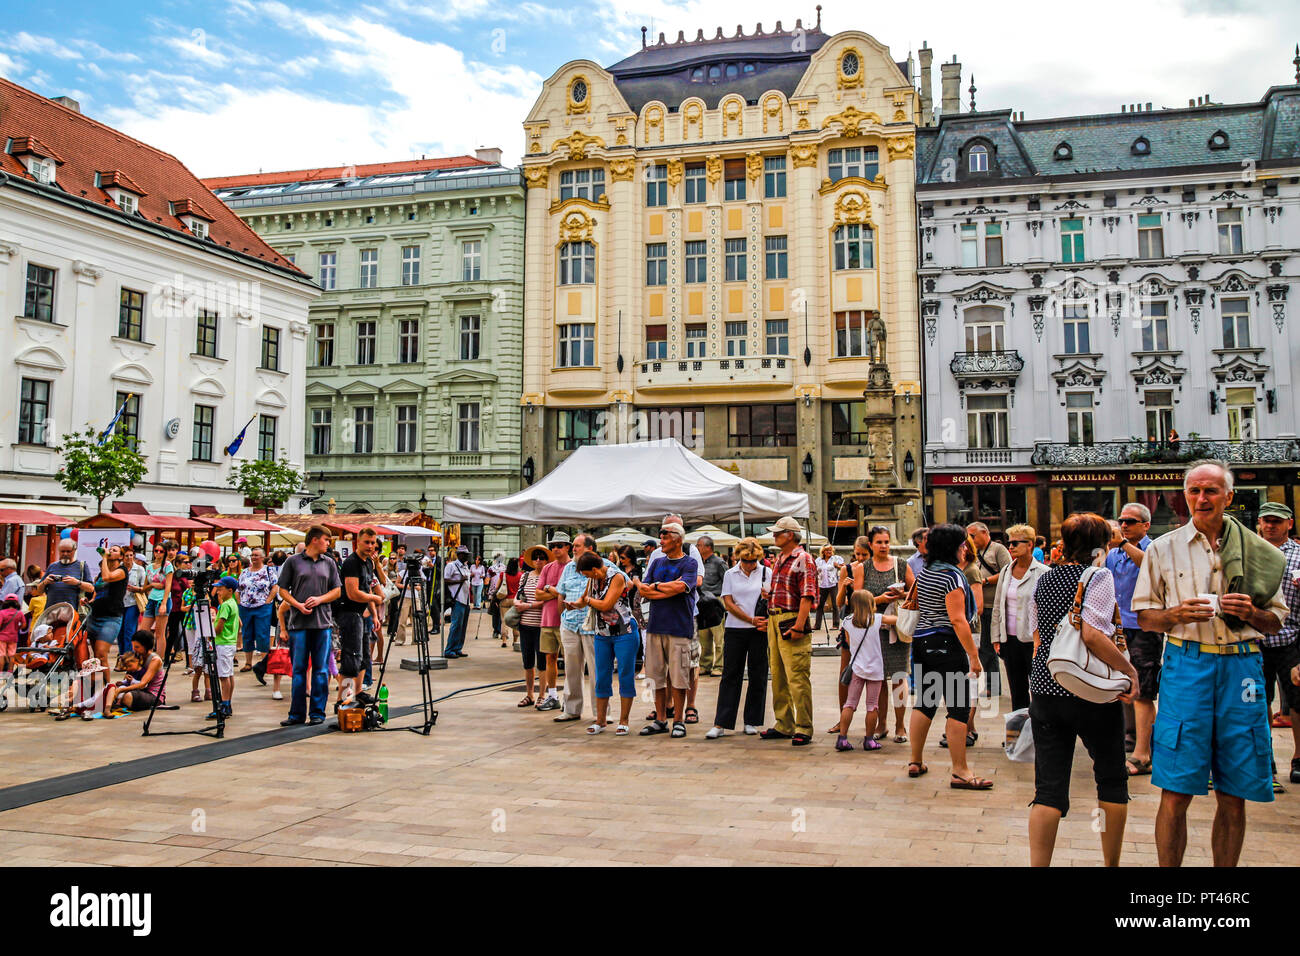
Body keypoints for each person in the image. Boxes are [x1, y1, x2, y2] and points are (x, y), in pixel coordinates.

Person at [1132, 460, 1287, 867]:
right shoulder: (1163, 549)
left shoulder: (1260, 552)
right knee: (1175, 788)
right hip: (1187, 664)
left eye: (1212, 491)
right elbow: (1145, 616)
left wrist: (1251, 613)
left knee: (1234, 794)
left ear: (1229, 497)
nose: (1202, 498)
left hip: (1242, 668)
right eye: (1195, 491)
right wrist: (1176, 615)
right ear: (1185, 496)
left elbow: (1275, 622)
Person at [1026, 513, 1139, 866]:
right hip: (1092, 692)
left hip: (1047, 687)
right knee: (1110, 780)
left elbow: (1036, 636)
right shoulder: (1098, 575)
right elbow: (1092, 634)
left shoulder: (1043, 579)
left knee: (1048, 791)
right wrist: (1129, 671)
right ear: (1100, 545)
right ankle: (1111, 863)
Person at [906, 523, 990, 789]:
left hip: (922, 641)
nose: (965, 548)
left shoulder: (926, 571)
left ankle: (915, 760)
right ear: (952, 547)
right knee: (958, 707)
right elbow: (957, 619)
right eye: (962, 544)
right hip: (946, 643)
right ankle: (960, 770)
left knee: (925, 702)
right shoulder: (952, 576)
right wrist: (974, 657)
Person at [1103, 503, 1159, 776]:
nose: (1124, 525)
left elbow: (1151, 568)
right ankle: (1135, 736)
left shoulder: (1153, 548)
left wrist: (1123, 543)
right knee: (1122, 683)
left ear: (1146, 525)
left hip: (1144, 626)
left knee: (1143, 688)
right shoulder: (1114, 554)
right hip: (1119, 626)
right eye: (1122, 521)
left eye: (1131, 521)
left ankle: (1143, 754)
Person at [758, 516, 817, 746]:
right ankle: (784, 723)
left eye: (778, 533)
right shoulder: (781, 558)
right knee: (779, 676)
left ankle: (803, 726)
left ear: (790, 535)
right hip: (776, 618)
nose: (774, 536)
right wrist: (769, 596)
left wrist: (800, 625)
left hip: (790, 618)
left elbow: (807, 595)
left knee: (797, 677)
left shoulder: (803, 559)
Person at [638, 517, 699, 738]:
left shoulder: (689, 562)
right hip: (656, 626)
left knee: (680, 675)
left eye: (664, 535)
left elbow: (682, 587)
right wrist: (661, 589)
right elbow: (644, 590)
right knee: (655, 675)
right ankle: (661, 719)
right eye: (660, 535)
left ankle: (679, 720)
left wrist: (656, 587)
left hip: (679, 627)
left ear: (677, 539)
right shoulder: (657, 562)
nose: (660, 540)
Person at [277, 525, 343, 727]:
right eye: (326, 540)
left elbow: (337, 591)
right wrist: (297, 604)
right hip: (299, 623)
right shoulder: (293, 562)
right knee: (299, 669)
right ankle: (296, 714)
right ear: (314, 540)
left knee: (321, 669)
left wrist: (320, 599)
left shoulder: (329, 563)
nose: (328, 544)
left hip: (322, 623)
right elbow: (282, 590)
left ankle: (317, 712)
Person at [1254, 502, 1300, 788]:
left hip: (1291, 637)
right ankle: (1265, 762)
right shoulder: (1250, 552)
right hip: (1256, 639)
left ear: (1289, 524)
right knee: (1258, 701)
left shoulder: (1298, 555)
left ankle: (1299, 760)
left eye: (1276, 521)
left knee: (1298, 700)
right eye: (1266, 521)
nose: (1271, 526)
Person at [707, 537, 771, 739]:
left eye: (753, 560)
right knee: (730, 675)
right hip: (736, 627)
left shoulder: (766, 573)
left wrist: (768, 599)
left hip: (759, 629)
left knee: (758, 674)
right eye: (745, 560)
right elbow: (728, 602)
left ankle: (752, 720)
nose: (750, 564)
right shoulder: (730, 574)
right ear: (738, 557)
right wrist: (750, 619)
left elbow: (774, 598)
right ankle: (721, 722)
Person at [573, 550, 636, 735]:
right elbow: (584, 599)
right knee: (601, 677)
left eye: (586, 574)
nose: (586, 578)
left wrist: (588, 601)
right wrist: (575, 604)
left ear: (594, 569)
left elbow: (607, 604)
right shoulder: (593, 579)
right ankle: (600, 720)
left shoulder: (617, 577)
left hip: (625, 631)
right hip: (602, 632)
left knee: (625, 674)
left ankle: (624, 720)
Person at [989, 524, 1048, 715]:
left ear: (1030, 545)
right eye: (1009, 543)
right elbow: (999, 604)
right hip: (1010, 638)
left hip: (1034, 640)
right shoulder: (1007, 570)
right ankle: (1017, 733)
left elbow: (1046, 610)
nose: (1010, 547)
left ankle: (1039, 730)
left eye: (1015, 543)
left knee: (1039, 688)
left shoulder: (1043, 572)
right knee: (1017, 689)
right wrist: (996, 637)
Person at [834, 589, 897, 752]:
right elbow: (896, 620)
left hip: (857, 669)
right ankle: (869, 740)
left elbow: (848, 641)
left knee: (850, 704)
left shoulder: (847, 621)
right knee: (872, 706)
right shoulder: (876, 619)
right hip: (875, 669)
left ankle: (842, 738)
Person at [554, 533, 603, 723]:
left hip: (592, 626)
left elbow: (625, 582)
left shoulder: (603, 565)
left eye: (577, 546)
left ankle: (601, 712)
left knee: (597, 669)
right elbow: (561, 592)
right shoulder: (568, 567)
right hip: (570, 624)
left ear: (590, 549)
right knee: (572, 669)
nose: (573, 549)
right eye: (573, 546)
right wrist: (562, 616)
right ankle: (572, 709)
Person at [337, 527, 384, 705]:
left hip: (361, 614)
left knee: (364, 655)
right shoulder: (352, 563)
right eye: (367, 542)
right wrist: (375, 598)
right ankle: (342, 699)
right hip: (349, 614)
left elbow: (367, 589)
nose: (370, 546)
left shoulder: (368, 562)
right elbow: (353, 593)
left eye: (373, 543)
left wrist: (373, 615)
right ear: (358, 542)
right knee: (351, 657)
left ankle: (358, 692)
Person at [967, 522, 1009, 699]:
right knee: (985, 648)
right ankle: (992, 685)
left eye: (973, 535)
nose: (971, 539)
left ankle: (997, 684)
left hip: (995, 605)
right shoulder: (974, 553)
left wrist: (984, 581)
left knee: (998, 647)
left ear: (984, 533)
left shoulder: (998, 549)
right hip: (980, 607)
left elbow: (1008, 571)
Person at [532, 533, 570, 711]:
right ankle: (553, 695)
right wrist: (557, 593)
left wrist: (551, 590)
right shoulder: (548, 568)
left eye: (560, 545)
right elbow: (537, 593)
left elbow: (572, 593)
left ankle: (570, 697)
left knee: (571, 661)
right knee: (550, 658)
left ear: (567, 547)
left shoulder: (573, 567)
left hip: (567, 620)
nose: (556, 548)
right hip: (547, 619)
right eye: (553, 545)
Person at [512, 546, 550, 706]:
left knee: (542, 662)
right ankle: (529, 694)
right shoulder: (525, 576)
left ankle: (542, 695)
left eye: (541, 557)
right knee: (527, 661)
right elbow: (518, 594)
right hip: (525, 624)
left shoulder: (548, 577)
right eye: (535, 557)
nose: (538, 560)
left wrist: (528, 606)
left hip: (542, 624)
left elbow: (548, 600)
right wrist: (516, 602)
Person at [101, 630, 165, 715]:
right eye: (134, 647)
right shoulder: (137, 656)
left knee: (128, 697)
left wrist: (121, 690)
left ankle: (117, 703)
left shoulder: (155, 660)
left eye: (137, 647)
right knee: (110, 690)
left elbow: (143, 684)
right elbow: (128, 677)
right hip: (138, 690)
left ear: (145, 646)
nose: (134, 649)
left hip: (153, 695)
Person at [85, 546, 127, 676]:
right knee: (95, 657)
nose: (110, 551)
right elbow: (96, 592)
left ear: (120, 557)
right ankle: (97, 688)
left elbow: (108, 577)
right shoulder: (100, 574)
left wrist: (104, 557)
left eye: (114, 550)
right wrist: (89, 601)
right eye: (110, 549)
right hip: (95, 616)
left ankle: (107, 689)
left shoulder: (122, 571)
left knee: (102, 654)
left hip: (111, 617)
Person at [237, 547, 278, 673]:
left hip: (262, 607)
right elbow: (238, 589)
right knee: (247, 634)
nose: (254, 557)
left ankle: (264, 664)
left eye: (257, 555)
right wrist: (239, 603)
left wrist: (268, 601)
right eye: (253, 555)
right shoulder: (244, 572)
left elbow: (275, 586)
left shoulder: (268, 570)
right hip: (245, 607)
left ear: (263, 557)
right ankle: (248, 662)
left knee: (262, 634)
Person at [695, 535, 728, 678]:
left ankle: (719, 665)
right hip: (702, 600)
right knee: (704, 635)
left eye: (699, 545)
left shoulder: (719, 563)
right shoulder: (699, 563)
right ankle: (705, 664)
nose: (697, 548)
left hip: (715, 600)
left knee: (718, 636)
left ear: (708, 547)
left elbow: (728, 580)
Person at [35, 538, 94, 614]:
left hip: (73, 613)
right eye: (62, 551)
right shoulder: (52, 566)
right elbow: (39, 591)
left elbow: (91, 588)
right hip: (51, 612)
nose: (65, 554)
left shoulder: (82, 566)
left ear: (74, 551)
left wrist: (77, 582)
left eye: (68, 551)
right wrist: (45, 582)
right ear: (59, 551)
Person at [209, 576, 240, 719]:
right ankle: (227, 703)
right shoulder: (233, 603)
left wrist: (209, 632)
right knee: (229, 674)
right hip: (230, 642)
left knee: (223, 676)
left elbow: (219, 627)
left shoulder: (226, 605)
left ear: (230, 590)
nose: (218, 592)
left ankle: (224, 704)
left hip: (223, 643)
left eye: (221, 589)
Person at [137, 542, 173, 654]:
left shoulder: (168, 565)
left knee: (159, 633)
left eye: (161, 551)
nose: (158, 553)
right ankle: (146, 656)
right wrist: (152, 585)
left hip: (162, 600)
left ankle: (159, 661)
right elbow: (144, 588)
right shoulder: (149, 567)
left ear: (165, 553)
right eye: (156, 551)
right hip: (151, 599)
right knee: (143, 631)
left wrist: (164, 603)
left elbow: (168, 585)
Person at [443, 547, 471, 658]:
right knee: (456, 625)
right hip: (457, 599)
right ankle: (449, 650)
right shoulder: (451, 566)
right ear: (459, 555)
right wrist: (459, 580)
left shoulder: (466, 566)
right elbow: (445, 579)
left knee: (463, 626)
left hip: (466, 600)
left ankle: (458, 648)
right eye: (465, 554)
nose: (467, 556)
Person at [813, 544, 844, 632]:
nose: (829, 552)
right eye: (827, 550)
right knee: (819, 605)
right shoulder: (819, 560)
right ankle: (817, 625)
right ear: (823, 552)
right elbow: (814, 570)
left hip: (833, 583)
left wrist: (837, 566)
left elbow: (844, 567)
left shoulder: (836, 558)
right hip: (822, 584)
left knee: (835, 604)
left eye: (830, 550)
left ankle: (836, 624)